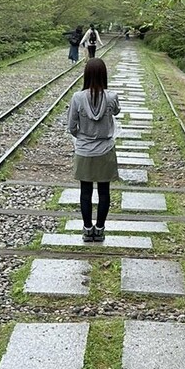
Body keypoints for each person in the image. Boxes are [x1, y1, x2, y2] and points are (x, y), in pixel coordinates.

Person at [66, 57, 120, 241]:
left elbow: (71, 126)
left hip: (84, 151)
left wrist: (82, 137)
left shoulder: (77, 97)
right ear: (104, 75)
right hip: (105, 150)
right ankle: (100, 229)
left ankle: (87, 229)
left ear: (86, 75)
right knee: (104, 191)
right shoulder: (111, 97)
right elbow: (117, 111)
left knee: (85, 191)